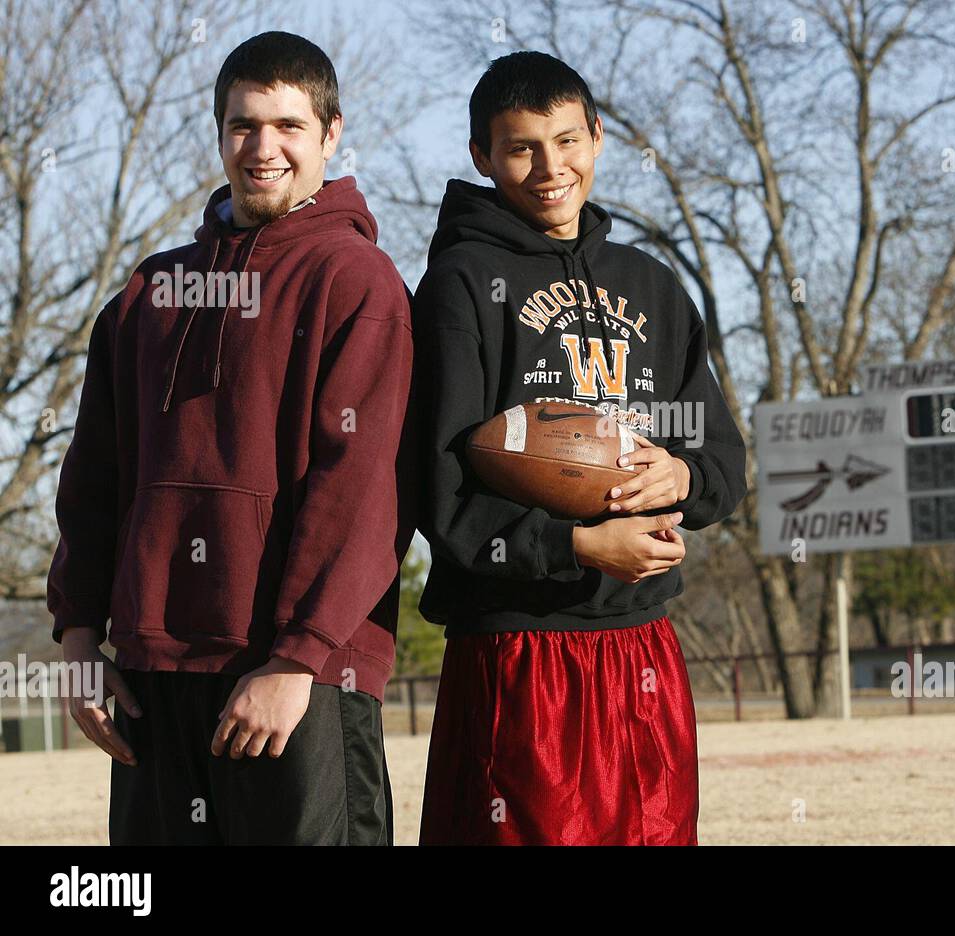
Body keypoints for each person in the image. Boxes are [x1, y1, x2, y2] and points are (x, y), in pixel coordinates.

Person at [46, 31, 414, 845]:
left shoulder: (356, 281)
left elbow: (362, 489)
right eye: (244, 125)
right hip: (153, 670)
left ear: (331, 133)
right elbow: (95, 477)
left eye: (288, 125)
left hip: (298, 678)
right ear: (219, 135)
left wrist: (296, 660)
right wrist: (79, 635)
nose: (264, 147)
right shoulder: (150, 290)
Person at [413, 51, 747, 845]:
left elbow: (724, 464)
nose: (549, 167)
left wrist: (682, 470)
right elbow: (438, 489)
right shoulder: (460, 286)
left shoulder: (653, 284)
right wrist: (575, 544)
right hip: (523, 647)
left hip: (643, 645)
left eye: (567, 140)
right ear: (482, 158)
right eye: (521, 146)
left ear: (597, 138)